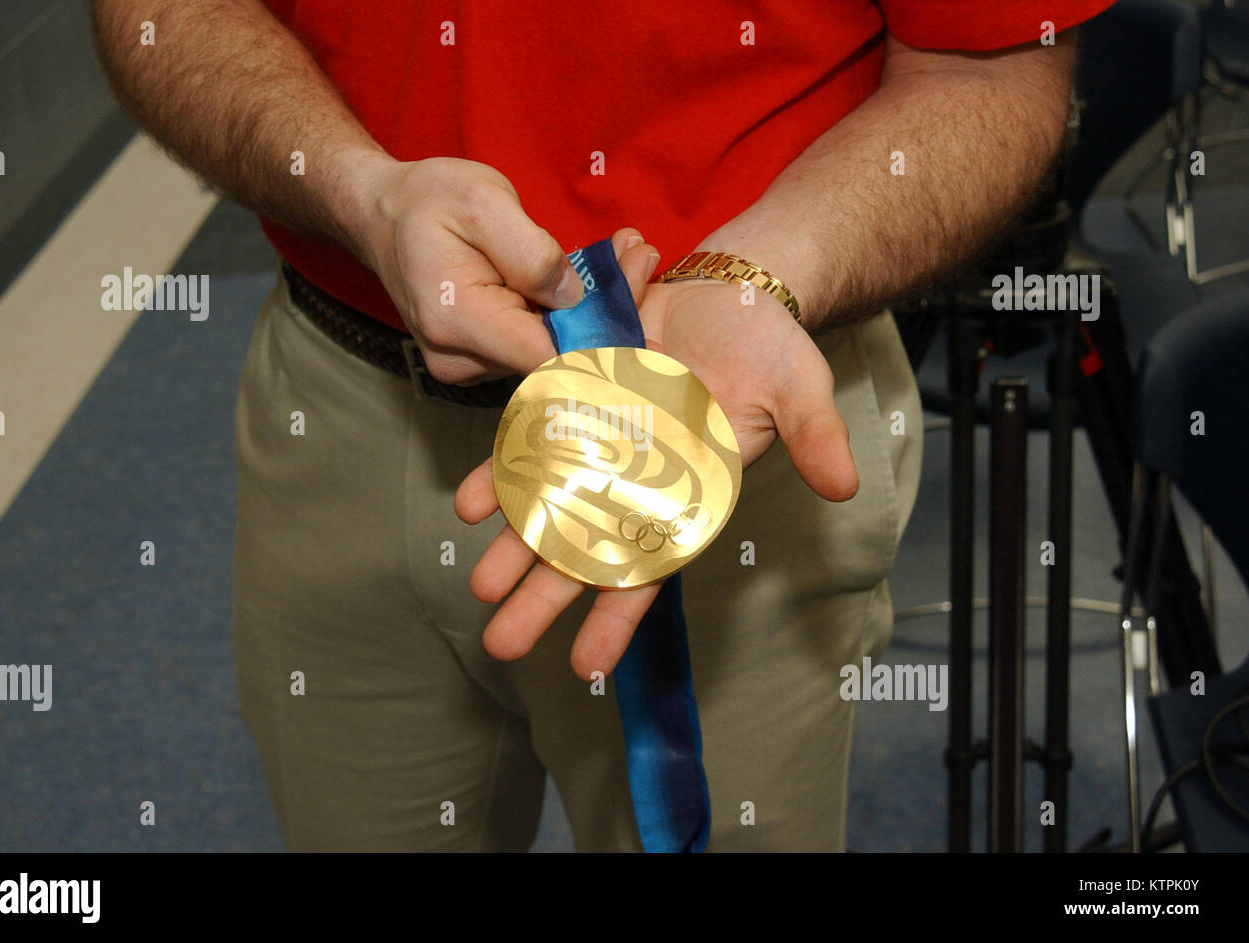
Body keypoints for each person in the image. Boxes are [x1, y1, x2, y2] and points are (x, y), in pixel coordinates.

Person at [91, 0, 1113, 851]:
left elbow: (990, 68)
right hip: (335, 403)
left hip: (726, 424)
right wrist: (360, 192)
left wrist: (757, 274)